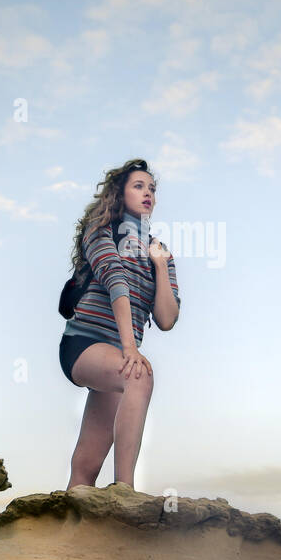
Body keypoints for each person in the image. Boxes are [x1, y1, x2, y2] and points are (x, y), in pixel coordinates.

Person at [58, 158, 180, 489]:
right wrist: (130, 348)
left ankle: (69, 535)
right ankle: (125, 490)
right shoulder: (100, 232)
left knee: (85, 464)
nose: (148, 193)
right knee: (139, 376)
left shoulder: (159, 250)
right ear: (119, 193)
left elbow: (166, 319)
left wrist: (159, 265)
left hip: (115, 353)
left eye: (152, 188)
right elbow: (116, 282)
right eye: (138, 186)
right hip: (83, 344)